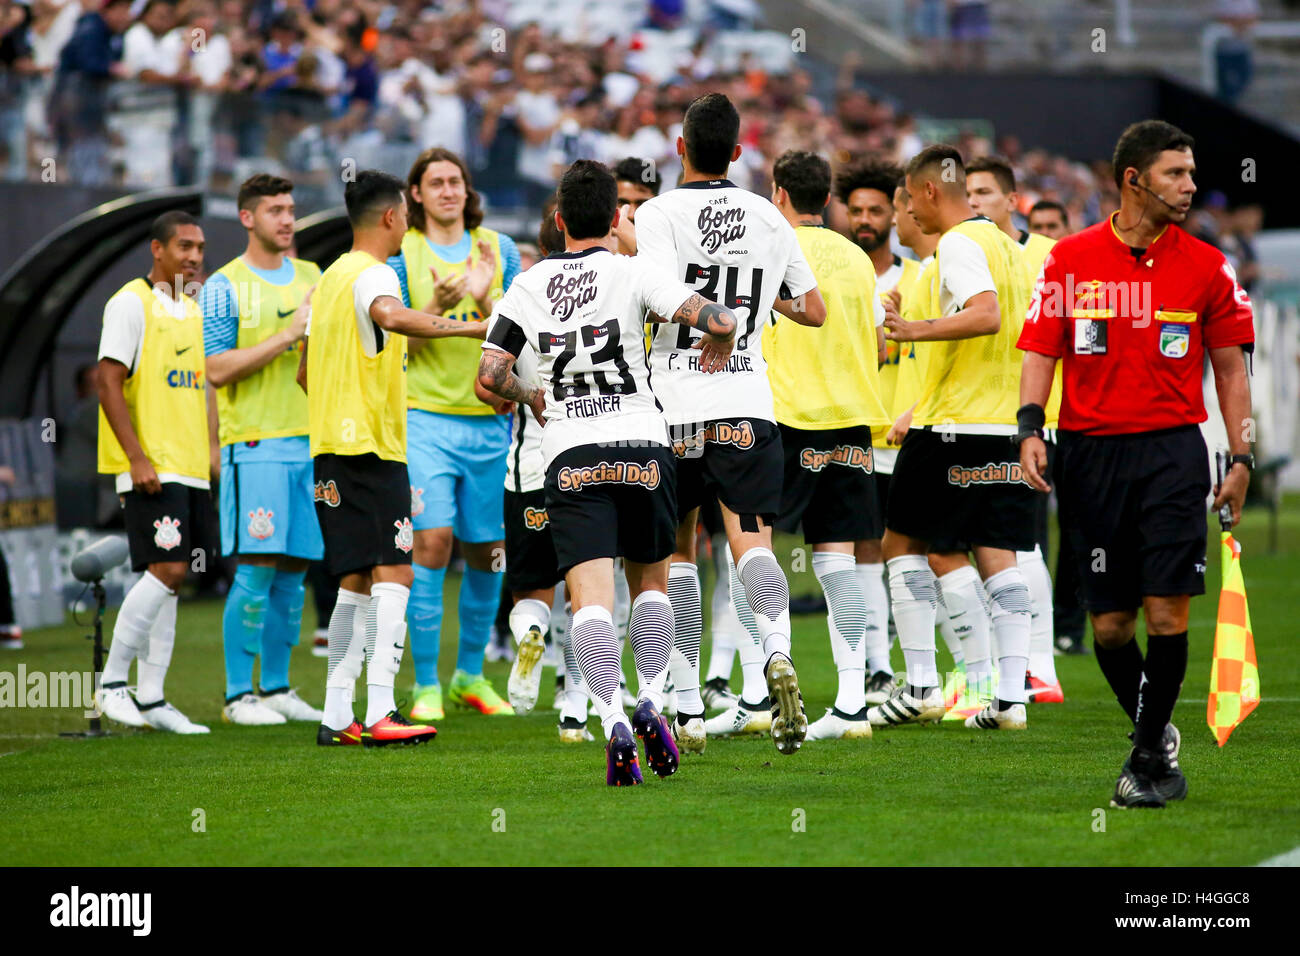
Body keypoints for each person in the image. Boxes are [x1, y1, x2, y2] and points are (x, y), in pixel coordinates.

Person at [477, 159, 739, 785]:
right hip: (645, 449)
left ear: (560, 220)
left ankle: (609, 712)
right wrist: (721, 335)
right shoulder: (633, 271)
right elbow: (717, 317)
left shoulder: (528, 286)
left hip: (569, 454)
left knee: (589, 601)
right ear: (618, 217)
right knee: (650, 585)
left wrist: (531, 396)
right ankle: (653, 699)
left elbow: (490, 377)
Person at [1016, 120, 1255, 808]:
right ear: (1133, 179)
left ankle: (1146, 761)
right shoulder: (1069, 260)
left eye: (1191, 173)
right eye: (1175, 174)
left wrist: (1241, 454)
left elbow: (1232, 369)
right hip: (1089, 454)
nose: (1189, 185)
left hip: (1173, 454)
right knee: (1111, 627)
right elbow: (1041, 350)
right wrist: (1030, 429)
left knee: (1166, 613)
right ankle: (1154, 739)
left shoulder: (1209, 266)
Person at [635, 93, 826, 755]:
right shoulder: (770, 215)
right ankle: (777, 651)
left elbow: (651, 294)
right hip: (746, 405)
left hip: (674, 408)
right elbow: (813, 307)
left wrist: (708, 314)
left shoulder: (657, 213)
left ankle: (686, 706)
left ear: (680, 149)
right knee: (753, 545)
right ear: (740, 152)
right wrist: (748, 302)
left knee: (678, 554)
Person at [300, 169, 485, 747]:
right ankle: (381, 707)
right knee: (398, 570)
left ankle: (336, 715)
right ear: (390, 217)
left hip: (330, 446)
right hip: (371, 448)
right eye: (405, 211)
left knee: (355, 580)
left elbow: (306, 373)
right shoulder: (376, 273)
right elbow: (393, 316)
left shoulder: (330, 279)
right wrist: (478, 326)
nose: (408, 221)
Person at [873, 145, 1035, 732]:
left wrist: (916, 328)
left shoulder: (961, 243)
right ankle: (1009, 698)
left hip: (954, 427)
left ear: (930, 192)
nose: (910, 212)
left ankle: (923, 685)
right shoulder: (1008, 247)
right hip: (1005, 422)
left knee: (906, 544)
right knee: (998, 554)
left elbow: (986, 315)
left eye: (910, 198)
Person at [388, 147, 522, 721]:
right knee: (432, 542)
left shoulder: (502, 249)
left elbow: (520, 332)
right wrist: (436, 308)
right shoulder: (402, 253)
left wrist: (488, 294)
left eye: (456, 181)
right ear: (415, 194)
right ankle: (425, 683)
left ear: (468, 191)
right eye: (435, 182)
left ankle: (470, 675)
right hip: (425, 419)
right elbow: (394, 345)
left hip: (490, 421)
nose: (448, 191)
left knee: (489, 551)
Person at [767, 150, 891, 741]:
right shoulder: (859, 259)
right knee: (838, 562)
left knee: (754, 553)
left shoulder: (770, 245)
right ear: (829, 199)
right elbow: (875, 341)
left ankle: (756, 686)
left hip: (784, 417)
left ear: (780, 194)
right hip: (849, 421)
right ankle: (850, 704)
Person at [202, 173, 324, 727]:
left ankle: (275, 686)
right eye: (274, 209)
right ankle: (236, 695)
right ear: (247, 217)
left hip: (310, 444)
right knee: (255, 568)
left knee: (295, 571)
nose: (286, 218)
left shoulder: (313, 276)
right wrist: (286, 336)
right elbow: (216, 370)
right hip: (255, 445)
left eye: (290, 208)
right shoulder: (224, 285)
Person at [94, 211, 215, 734]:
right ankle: (111, 684)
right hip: (150, 465)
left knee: (173, 577)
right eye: (183, 246)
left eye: (200, 247)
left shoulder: (190, 309)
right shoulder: (129, 303)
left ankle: (153, 695)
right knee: (164, 569)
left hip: (189, 466)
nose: (193, 256)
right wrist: (136, 457)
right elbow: (107, 381)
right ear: (157, 249)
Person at [966, 154, 1065, 706]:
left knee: (1023, 544)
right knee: (987, 548)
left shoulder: (1049, 256)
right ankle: (1002, 671)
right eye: (969, 194)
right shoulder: (962, 251)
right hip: (975, 418)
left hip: (1034, 418)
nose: (975, 202)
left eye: (984, 193)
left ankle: (1041, 666)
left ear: (1012, 200)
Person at [834, 155, 919, 702]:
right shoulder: (840, 278)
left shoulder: (918, 278)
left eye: (875, 210)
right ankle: (877, 665)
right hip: (859, 433)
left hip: (910, 435)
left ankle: (930, 669)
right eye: (857, 210)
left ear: (894, 213)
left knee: (916, 551)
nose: (865, 219)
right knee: (865, 547)